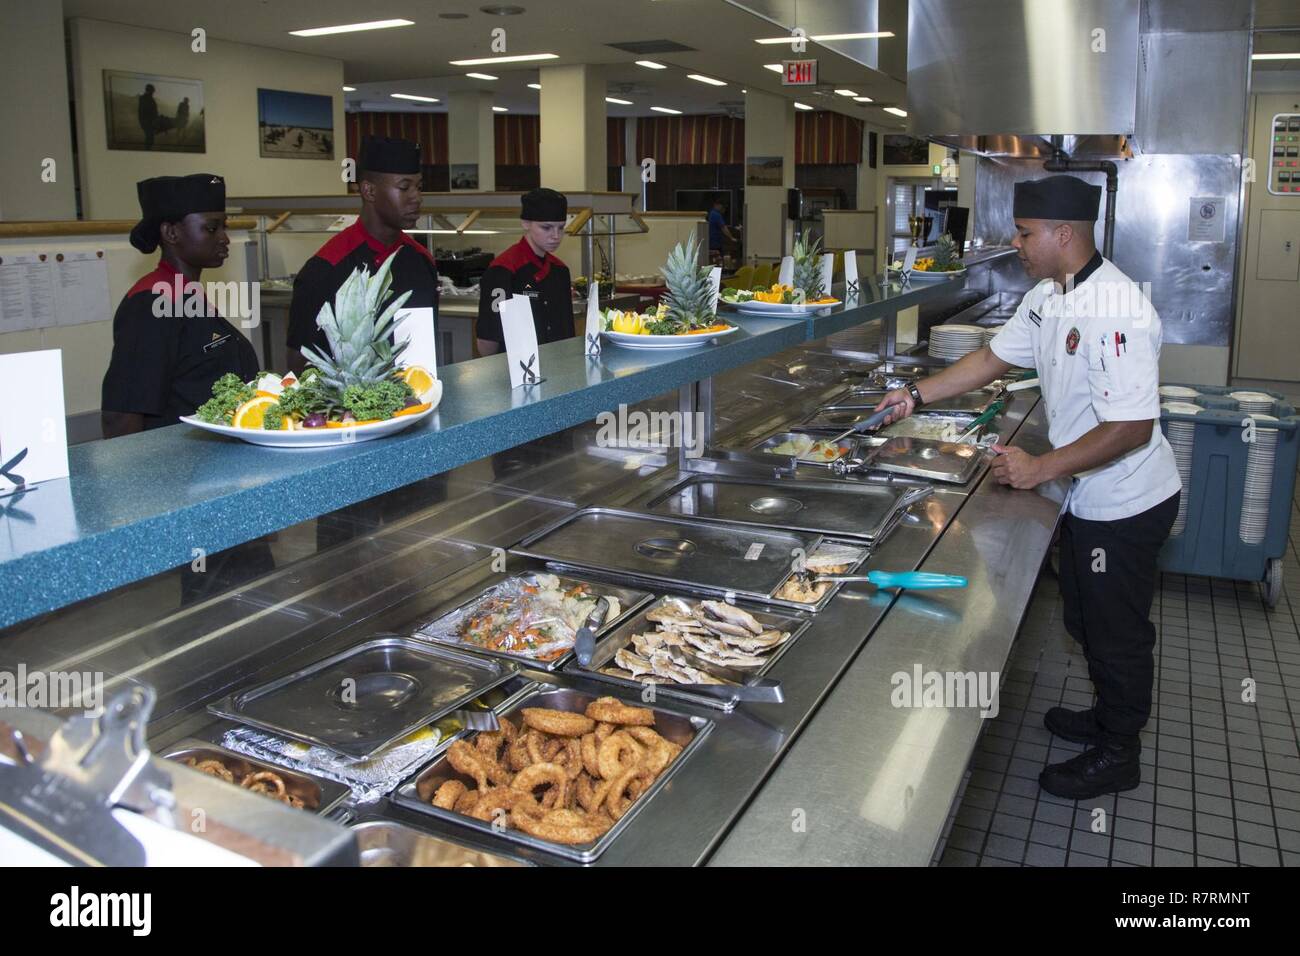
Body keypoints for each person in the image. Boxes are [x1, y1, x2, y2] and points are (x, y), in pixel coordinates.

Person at [874, 174, 1182, 801]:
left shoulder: (1117, 309)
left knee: (1116, 631)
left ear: (1063, 234)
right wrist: (913, 395)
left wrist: (1041, 468)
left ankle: (1119, 751)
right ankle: (1107, 715)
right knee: (1084, 615)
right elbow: (993, 359)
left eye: (1024, 233)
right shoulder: (1049, 295)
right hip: (1090, 494)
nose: (1015, 243)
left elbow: (1131, 427)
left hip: (1127, 501)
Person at [101, 173, 258, 438]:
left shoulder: (187, 294)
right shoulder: (152, 304)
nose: (225, 238)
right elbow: (121, 415)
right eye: (212, 228)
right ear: (171, 232)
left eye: (224, 227)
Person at [286, 134, 438, 374]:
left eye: (419, 187)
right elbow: (300, 364)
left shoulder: (420, 261)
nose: (416, 198)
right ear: (369, 190)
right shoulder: (325, 268)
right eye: (404, 187)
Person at [475, 187, 574, 356]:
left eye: (561, 228)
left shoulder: (560, 270)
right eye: (546, 228)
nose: (556, 236)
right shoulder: (503, 269)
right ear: (525, 223)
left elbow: (567, 332)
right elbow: (487, 340)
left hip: (557, 364)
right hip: (514, 366)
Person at [707, 196, 737, 264]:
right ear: (717, 205)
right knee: (718, 262)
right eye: (723, 207)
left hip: (711, 242)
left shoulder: (711, 213)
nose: (724, 210)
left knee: (713, 261)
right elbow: (723, 228)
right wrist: (731, 238)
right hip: (715, 243)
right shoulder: (716, 215)